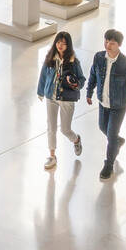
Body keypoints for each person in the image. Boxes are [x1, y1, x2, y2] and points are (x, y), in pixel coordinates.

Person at [85, 29, 126, 181]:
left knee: (110, 135)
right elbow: (93, 75)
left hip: (118, 106)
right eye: (106, 41)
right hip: (103, 102)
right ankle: (118, 141)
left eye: (112, 43)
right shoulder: (99, 57)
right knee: (102, 127)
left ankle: (108, 165)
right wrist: (89, 92)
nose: (108, 45)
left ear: (119, 45)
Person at [35, 31, 84, 170]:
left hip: (66, 99)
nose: (60, 45)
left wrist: (75, 84)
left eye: (63, 43)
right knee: (51, 127)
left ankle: (76, 140)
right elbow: (43, 76)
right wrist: (40, 92)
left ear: (68, 45)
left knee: (65, 129)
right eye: (58, 42)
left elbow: (81, 79)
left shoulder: (74, 62)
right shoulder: (50, 58)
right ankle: (52, 156)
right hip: (51, 97)